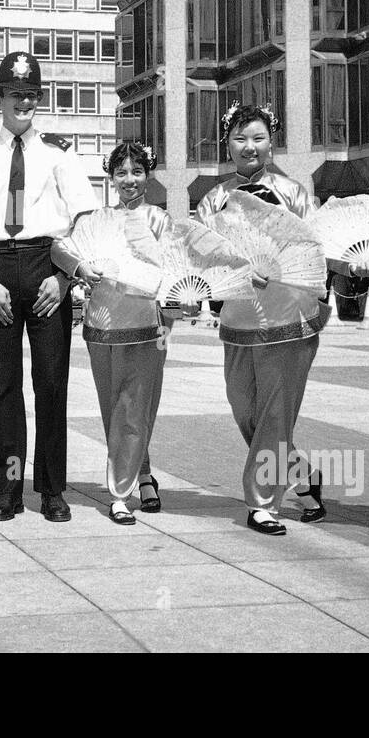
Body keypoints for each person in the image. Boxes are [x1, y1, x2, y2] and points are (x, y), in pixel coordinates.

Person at [0, 51, 99, 523]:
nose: (25, 102)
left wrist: (63, 278)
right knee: (3, 389)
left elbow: (83, 221)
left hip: (45, 265)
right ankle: (9, 488)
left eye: (32, 94)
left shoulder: (60, 154)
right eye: (16, 94)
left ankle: (53, 490)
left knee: (51, 385)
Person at [196, 104, 327, 536]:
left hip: (289, 319)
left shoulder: (295, 194)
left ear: (272, 142)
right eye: (239, 138)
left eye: (257, 137)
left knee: (273, 414)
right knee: (245, 410)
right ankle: (303, 475)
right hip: (237, 320)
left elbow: (316, 250)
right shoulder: (213, 199)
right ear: (226, 144)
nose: (249, 146)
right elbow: (200, 256)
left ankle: (263, 503)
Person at [77, 142, 172, 524]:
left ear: (147, 174)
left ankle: (119, 491)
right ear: (110, 177)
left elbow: (172, 271)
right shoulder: (96, 219)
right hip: (101, 324)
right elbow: (65, 251)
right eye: (121, 172)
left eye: (136, 171)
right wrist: (82, 268)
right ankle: (142, 472)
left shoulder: (160, 220)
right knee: (112, 408)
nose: (129, 180)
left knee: (137, 407)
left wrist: (171, 319)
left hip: (146, 324)